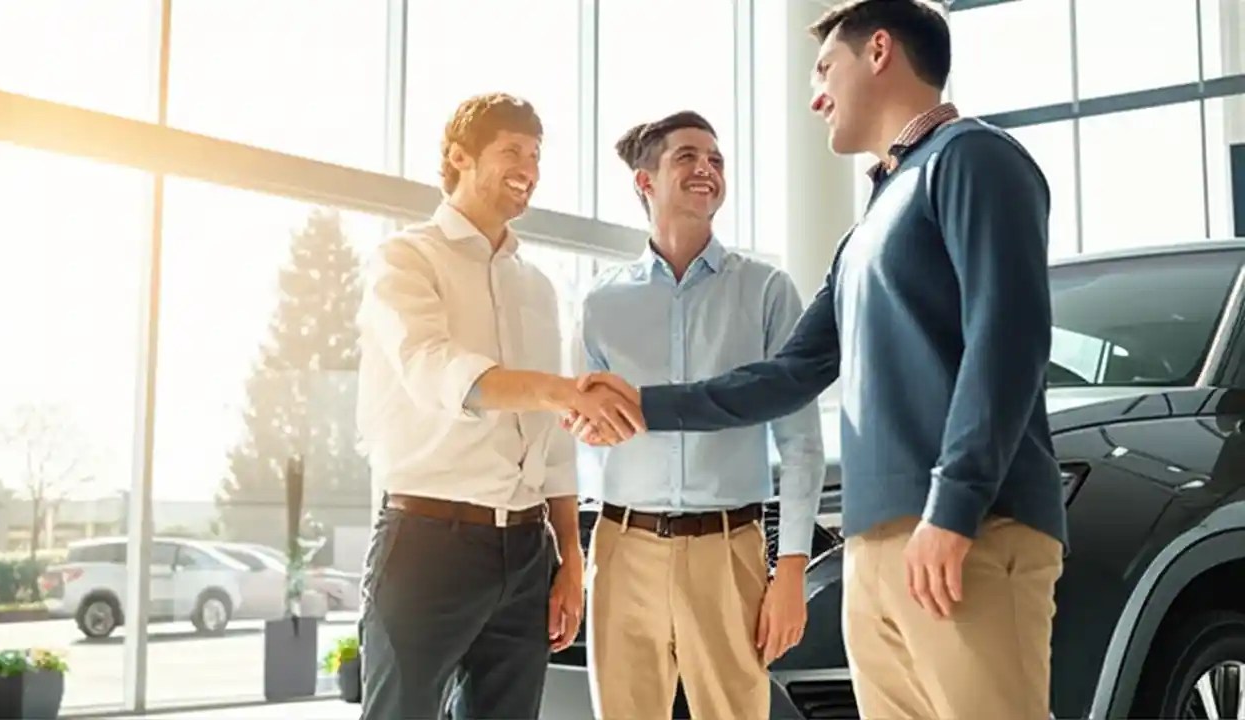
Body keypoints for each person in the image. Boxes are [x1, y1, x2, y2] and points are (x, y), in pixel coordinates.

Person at [572, 1, 1067, 718]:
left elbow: (1008, 338)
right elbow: (787, 376)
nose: (815, 96)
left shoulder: (973, 159)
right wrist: (641, 406)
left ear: (879, 52)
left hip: (969, 532)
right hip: (877, 547)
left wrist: (955, 506)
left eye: (825, 69)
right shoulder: (870, 223)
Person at [354, 91, 642, 720]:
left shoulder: (536, 286)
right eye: (512, 150)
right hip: (428, 541)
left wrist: (570, 557)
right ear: (458, 157)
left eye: (536, 155)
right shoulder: (406, 259)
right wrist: (557, 389)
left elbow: (553, 440)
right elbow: (433, 370)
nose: (530, 168)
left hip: (525, 548)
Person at [573, 111, 826, 720]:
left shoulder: (767, 291)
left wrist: (790, 568)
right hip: (623, 547)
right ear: (645, 182)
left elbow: (801, 443)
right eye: (687, 156)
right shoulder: (602, 303)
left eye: (715, 159)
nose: (706, 169)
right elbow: (580, 434)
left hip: (729, 549)